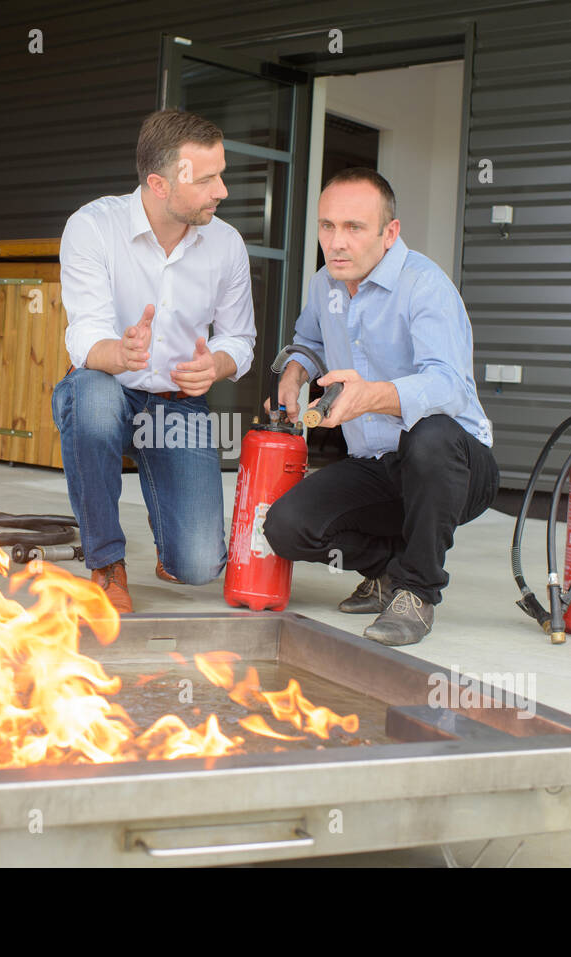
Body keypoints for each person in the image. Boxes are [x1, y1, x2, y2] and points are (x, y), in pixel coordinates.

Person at [263, 168, 498, 646]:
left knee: (428, 433)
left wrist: (374, 394)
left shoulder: (425, 286)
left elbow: (449, 386)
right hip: (375, 464)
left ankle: (417, 592)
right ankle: (388, 572)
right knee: (286, 527)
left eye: (354, 227)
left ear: (389, 233)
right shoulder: (324, 285)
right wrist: (294, 371)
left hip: (454, 466)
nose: (336, 242)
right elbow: (308, 340)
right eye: (327, 226)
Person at [51, 109, 256, 613]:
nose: (222, 190)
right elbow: (84, 337)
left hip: (175, 407)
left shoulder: (227, 245)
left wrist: (219, 366)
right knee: (94, 396)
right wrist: (119, 354)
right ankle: (106, 564)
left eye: (220, 173)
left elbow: (240, 338)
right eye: (207, 179)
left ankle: (172, 525)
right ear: (160, 184)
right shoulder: (93, 227)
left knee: (199, 567)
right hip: (107, 389)